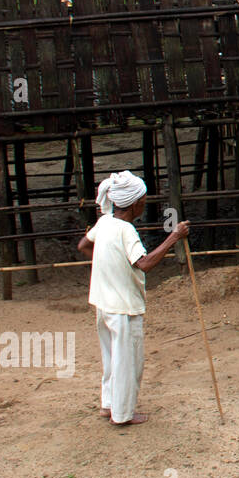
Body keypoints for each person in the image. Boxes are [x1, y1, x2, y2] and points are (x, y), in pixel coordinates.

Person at [77, 171, 189, 426]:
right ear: (136, 203)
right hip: (123, 308)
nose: (145, 203)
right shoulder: (126, 230)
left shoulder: (104, 222)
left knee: (111, 358)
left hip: (103, 304)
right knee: (128, 362)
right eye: (144, 199)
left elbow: (84, 245)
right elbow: (145, 263)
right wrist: (174, 237)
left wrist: (109, 264)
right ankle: (123, 413)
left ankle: (109, 405)